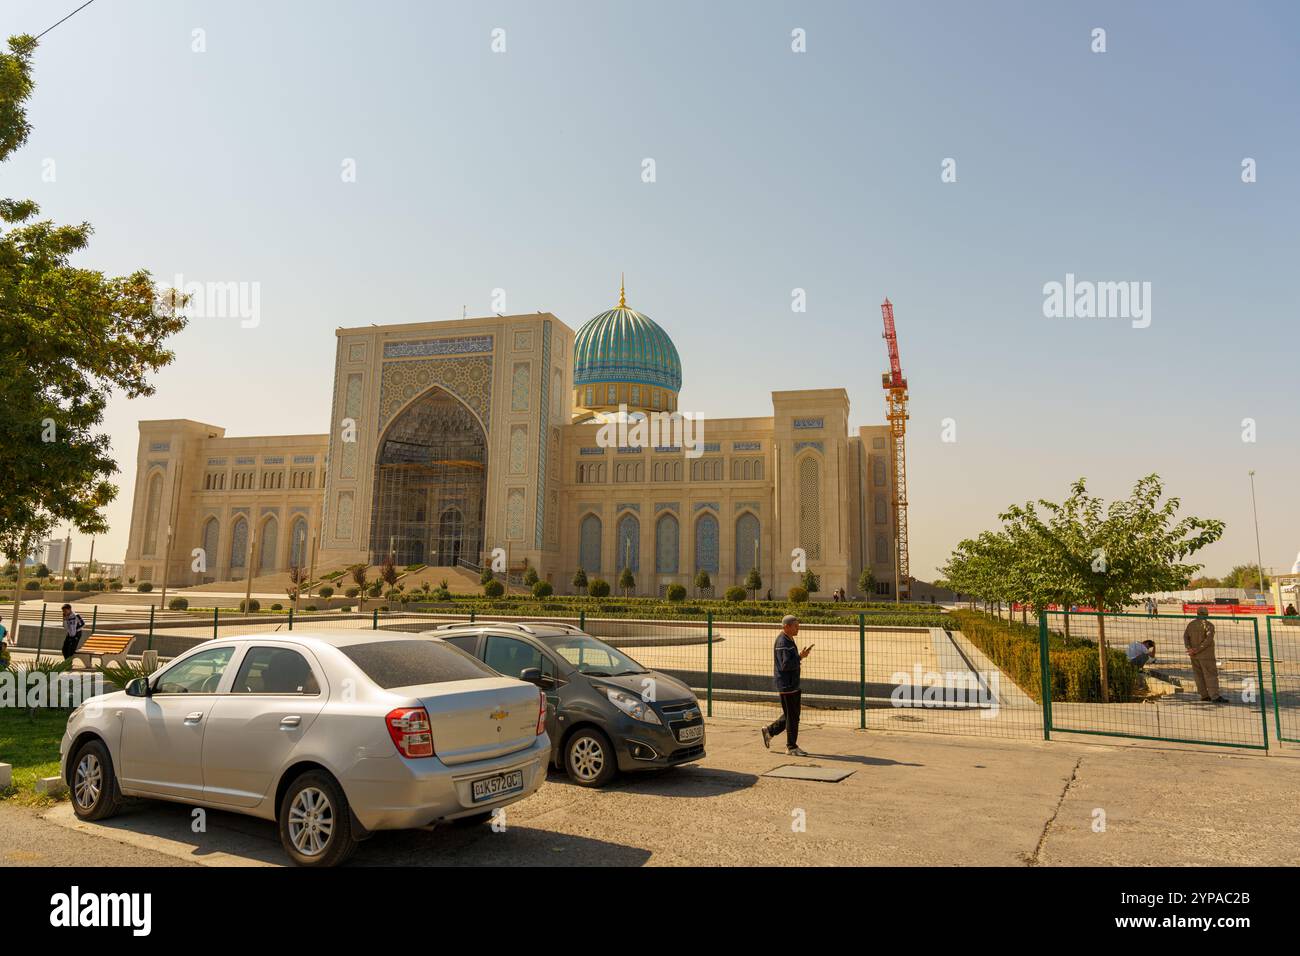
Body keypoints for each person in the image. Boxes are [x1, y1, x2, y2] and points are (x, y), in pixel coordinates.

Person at [761, 614, 814, 756]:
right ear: (786, 626)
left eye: (798, 625)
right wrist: (800, 657)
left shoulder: (788, 640)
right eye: (795, 626)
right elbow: (785, 665)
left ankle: (770, 730)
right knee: (793, 717)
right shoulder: (783, 643)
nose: (798, 628)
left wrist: (799, 656)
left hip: (791, 683)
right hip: (787, 685)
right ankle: (791, 747)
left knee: (792, 714)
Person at [1184, 607, 1227, 703]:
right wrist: (1196, 649)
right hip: (1206, 655)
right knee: (1210, 675)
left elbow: (1185, 637)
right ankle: (1214, 696)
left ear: (1197, 613)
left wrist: (1189, 648)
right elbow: (1208, 641)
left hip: (1194, 655)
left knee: (1198, 675)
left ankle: (1204, 695)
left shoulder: (1191, 624)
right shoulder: (1208, 625)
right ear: (1207, 614)